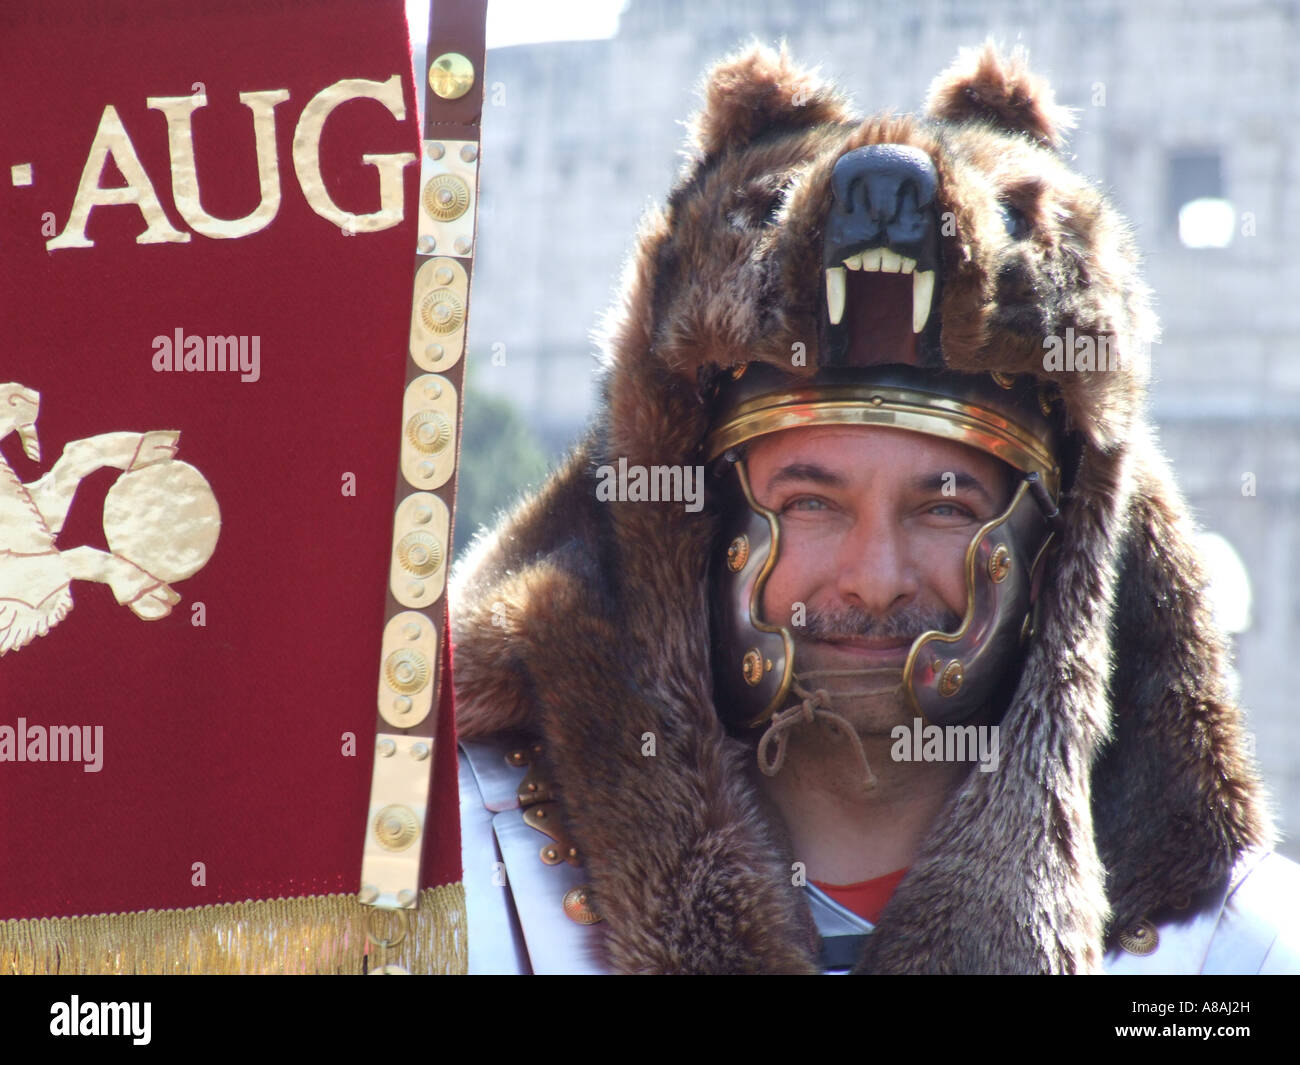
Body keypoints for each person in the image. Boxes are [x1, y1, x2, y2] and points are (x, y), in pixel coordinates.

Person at [451, 41, 1300, 974]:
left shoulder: (1233, 961)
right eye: (811, 502)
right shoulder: (450, 891)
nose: (873, 575)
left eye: (944, 507)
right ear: (695, 529)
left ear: (1056, 548)